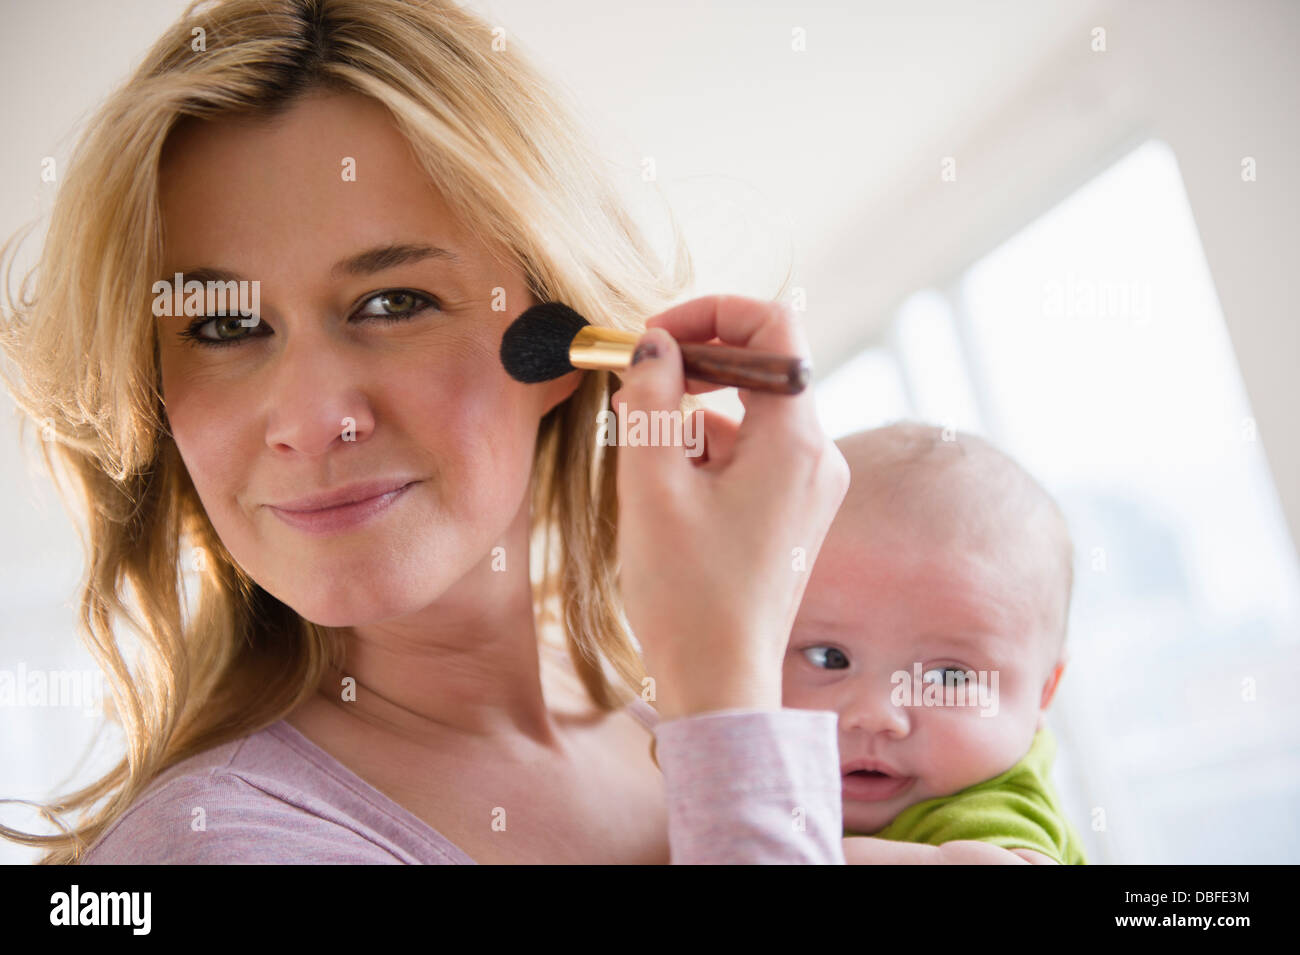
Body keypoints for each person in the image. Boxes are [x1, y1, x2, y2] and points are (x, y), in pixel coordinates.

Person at [0, 0, 849, 864]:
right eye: (223, 327)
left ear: (562, 344)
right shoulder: (218, 844)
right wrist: (729, 694)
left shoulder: (675, 726)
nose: (312, 421)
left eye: (393, 303)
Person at [781, 422, 1088, 864]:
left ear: (1044, 694)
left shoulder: (988, 808)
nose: (874, 715)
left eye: (948, 677)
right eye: (829, 658)